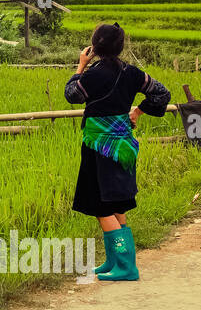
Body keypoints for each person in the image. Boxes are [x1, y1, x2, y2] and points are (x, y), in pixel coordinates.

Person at [64, 22, 170, 281]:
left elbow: (72, 95)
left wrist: (80, 66)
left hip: (98, 147)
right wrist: (137, 110)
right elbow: (162, 94)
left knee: (101, 206)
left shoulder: (92, 75)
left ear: (95, 47)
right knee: (116, 203)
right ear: (120, 46)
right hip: (123, 146)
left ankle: (125, 267)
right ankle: (115, 260)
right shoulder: (133, 73)